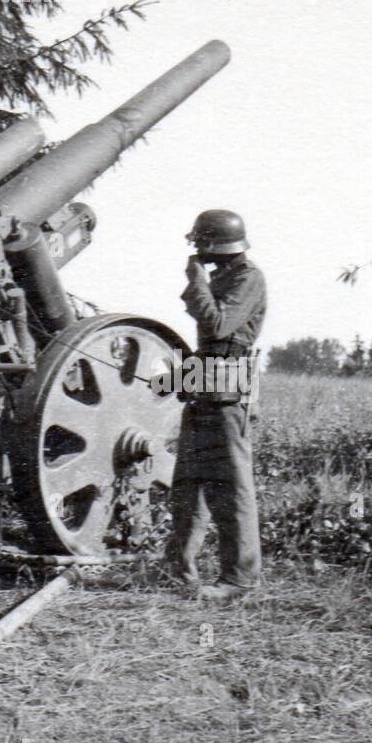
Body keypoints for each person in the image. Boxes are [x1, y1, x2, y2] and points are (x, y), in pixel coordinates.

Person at [166, 209, 267, 602]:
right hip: (206, 390)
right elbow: (210, 348)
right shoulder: (225, 277)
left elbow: (219, 327)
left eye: (199, 243)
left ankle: (240, 580)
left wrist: (195, 281)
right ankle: (180, 570)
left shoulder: (248, 278)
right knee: (188, 487)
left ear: (212, 244)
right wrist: (181, 380)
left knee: (232, 489)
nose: (196, 251)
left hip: (228, 396)